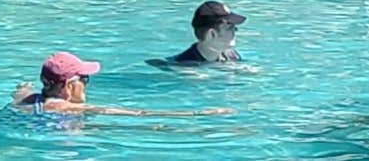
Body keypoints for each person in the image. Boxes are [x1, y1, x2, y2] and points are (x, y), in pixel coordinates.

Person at [12, 52, 231, 117]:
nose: (87, 84)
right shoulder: (67, 107)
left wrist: (24, 86)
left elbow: (21, 92)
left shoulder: (29, 100)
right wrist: (197, 114)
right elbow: (138, 113)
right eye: (85, 79)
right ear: (68, 86)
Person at [164, 0, 246, 66]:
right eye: (230, 28)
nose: (235, 30)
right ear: (212, 34)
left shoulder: (231, 56)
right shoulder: (184, 65)